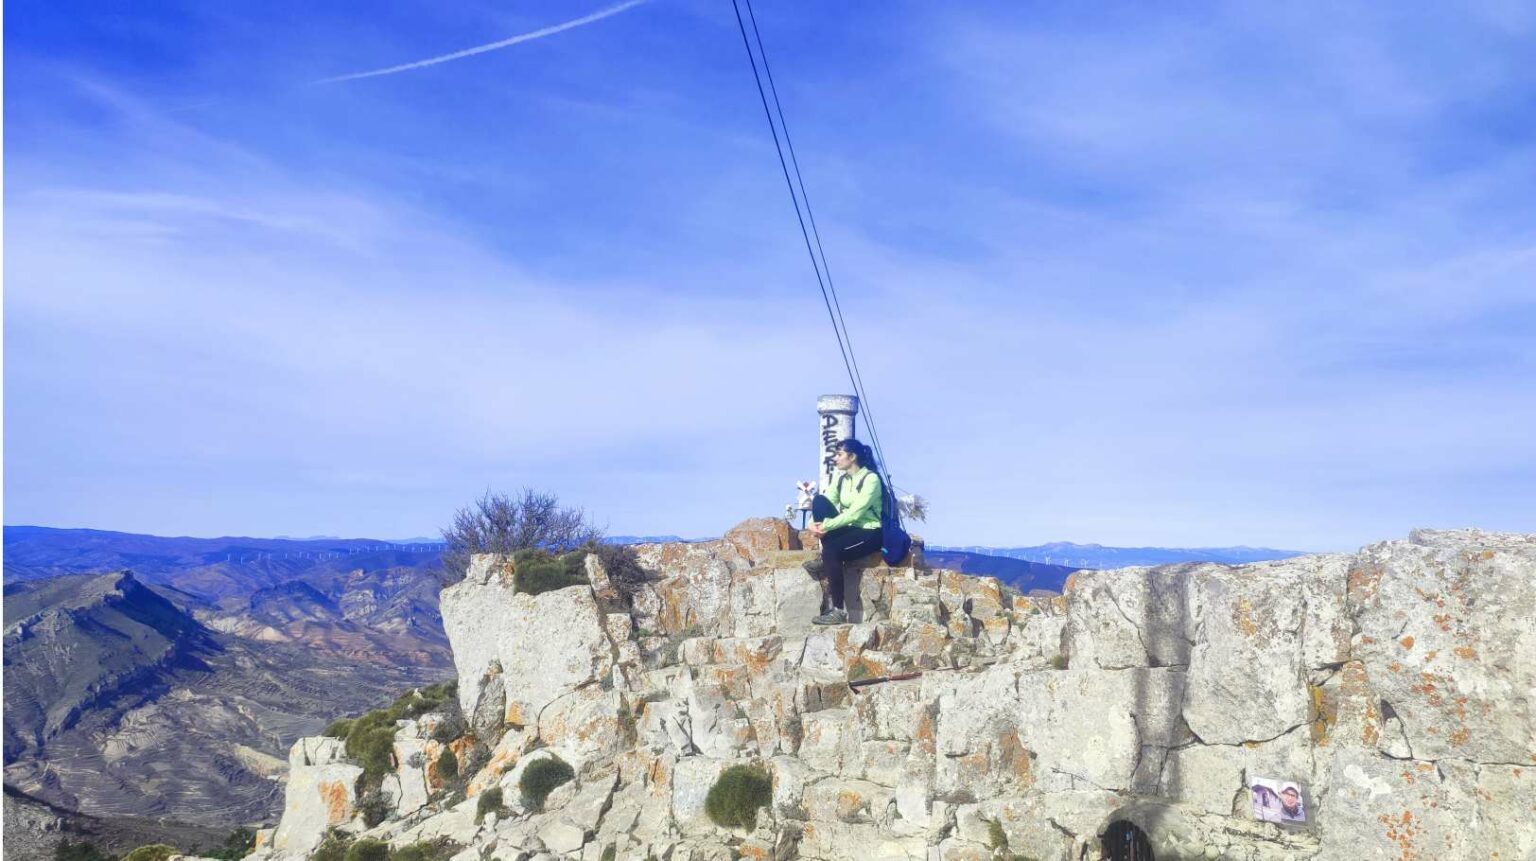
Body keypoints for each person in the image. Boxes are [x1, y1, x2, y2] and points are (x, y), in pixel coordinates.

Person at [802, 438, 884, 625]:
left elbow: (856, 514)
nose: (835, 459)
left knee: (832, 550)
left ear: (852, 456)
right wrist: (811, 524)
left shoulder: (871, 479)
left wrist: (826, 526)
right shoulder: (842, 480)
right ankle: (828, 560)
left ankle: (838, 610)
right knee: (819, 501)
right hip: (849, 529)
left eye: (839, 454)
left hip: (869, 533)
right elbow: (826, 503)